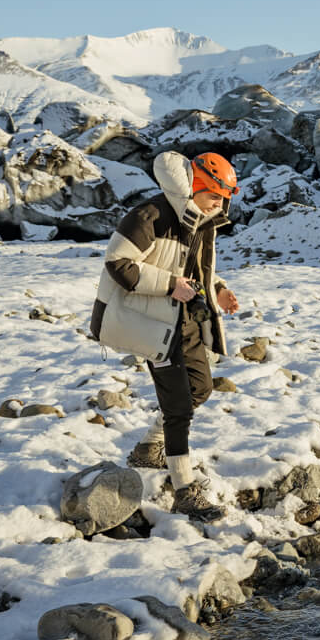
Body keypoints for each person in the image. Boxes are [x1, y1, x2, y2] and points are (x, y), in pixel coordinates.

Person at [90, 150, 241, 521]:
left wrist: (217, 288)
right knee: (179, 407)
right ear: (198, 186)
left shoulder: (201, 219)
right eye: (215, 195)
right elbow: (118, 266)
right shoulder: (149, 216)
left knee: (200, 389)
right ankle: (185, 491)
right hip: (150, 322)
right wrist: (170, 285)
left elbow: (191, 268)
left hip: (183, 318)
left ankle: (148, 448)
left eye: (224, 198)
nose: (219, 204)